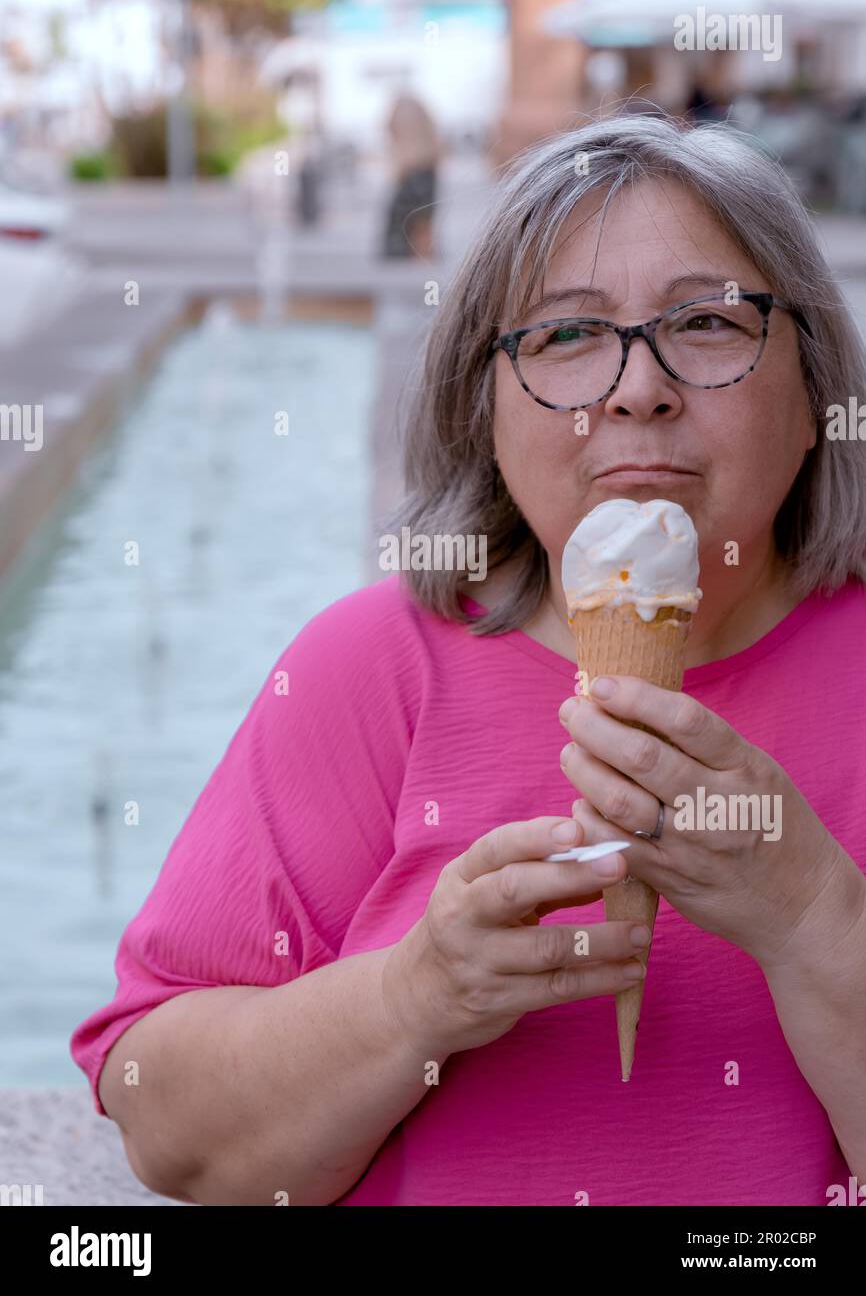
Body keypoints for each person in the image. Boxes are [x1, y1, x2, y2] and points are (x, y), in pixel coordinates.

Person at [71, 114, 866, 1207]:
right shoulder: (371, 667)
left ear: (813, 379)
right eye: (563, 337)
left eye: (707, 322)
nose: (636, 387)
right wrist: (413, 997)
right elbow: (166, 1129)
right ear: (482, 404)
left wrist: (816, 921)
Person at [380, 90, 442, 259]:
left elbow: (423, 236)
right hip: (402, 273)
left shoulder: (419, 178)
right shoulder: (416, 175)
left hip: (407, 277)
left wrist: (422, 282)